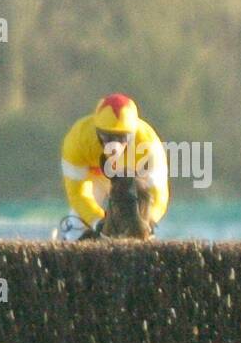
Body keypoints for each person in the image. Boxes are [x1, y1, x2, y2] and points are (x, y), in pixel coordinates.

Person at [58, 93, 169, 240]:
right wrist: (98, 221)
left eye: (122, 138)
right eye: (107, 137)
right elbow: (78, 193)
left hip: (130, 181)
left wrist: (149, 221)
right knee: (75, 227)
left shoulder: (149, 144)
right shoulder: (78, 139)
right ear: (96, 131)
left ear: (133, 134)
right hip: (93, 178)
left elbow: (158, 194)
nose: (114, 146)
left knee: (142, 222)